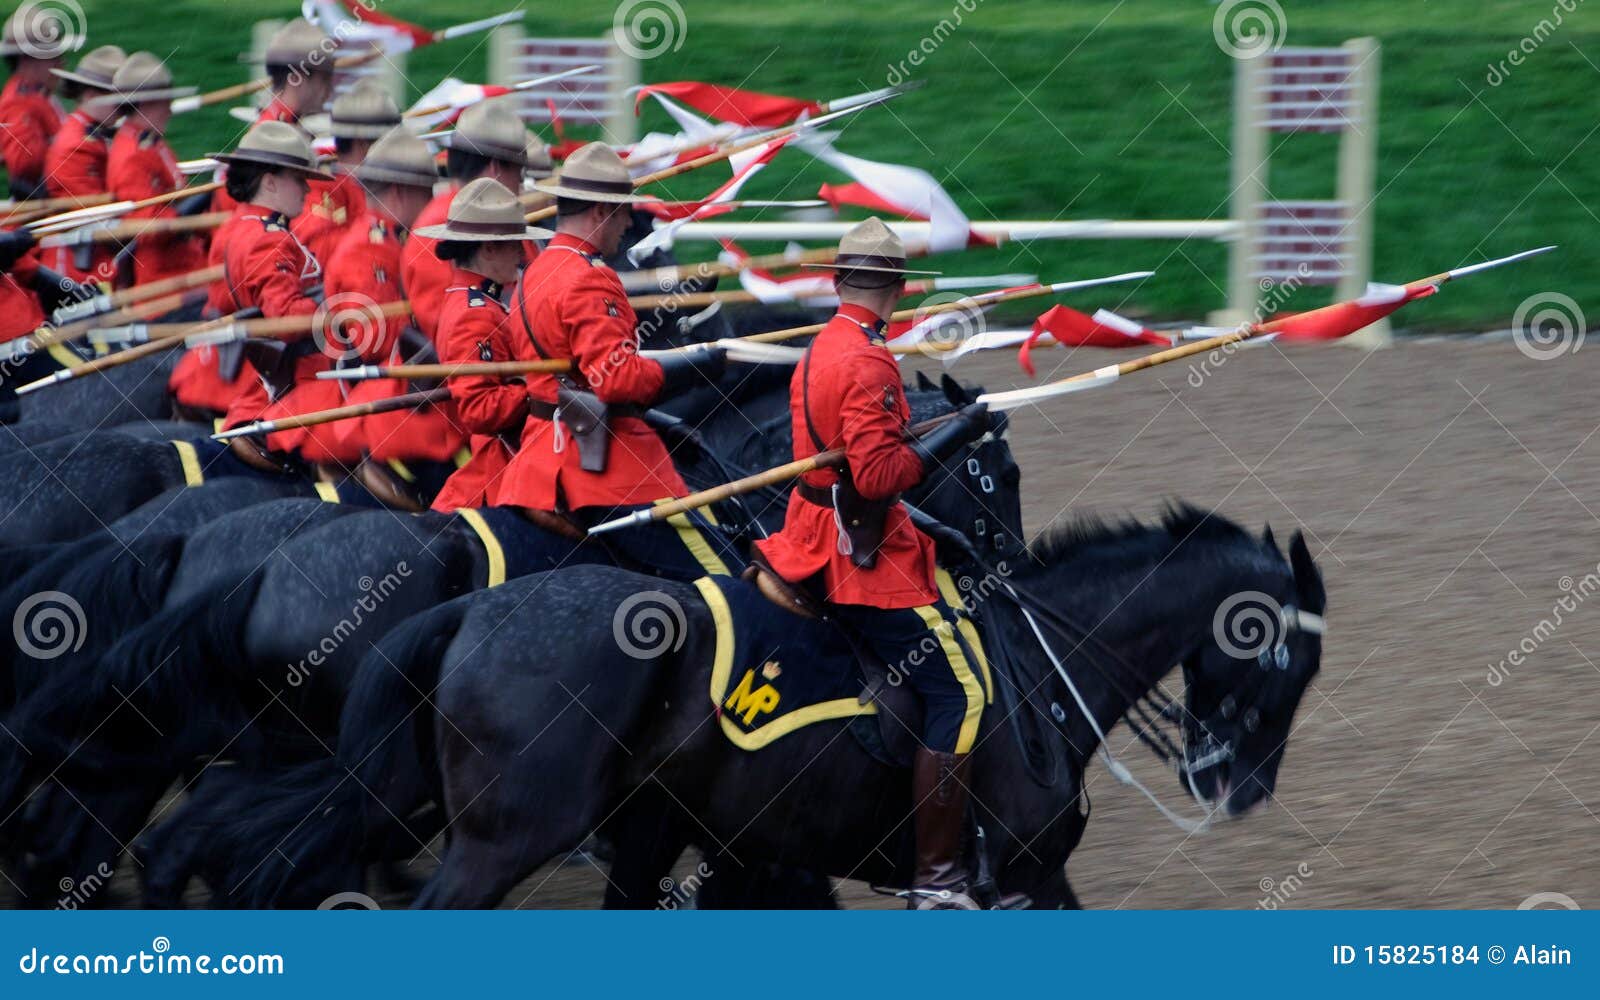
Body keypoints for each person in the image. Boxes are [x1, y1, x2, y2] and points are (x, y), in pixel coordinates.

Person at [752, 218, 992, 909]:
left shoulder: (824, 344)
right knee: (964, 692)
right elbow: (881, 477)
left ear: (838, 283)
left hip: (807, 524)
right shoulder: (868, 359)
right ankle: (939, 879)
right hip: (850, 548)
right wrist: (956, 433)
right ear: (898, 288)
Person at [495, 141, 733, 577]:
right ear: (600, 212)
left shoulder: (534, 272)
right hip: (605, 466)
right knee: (724, 577)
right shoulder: (589, 278)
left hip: (541, 455)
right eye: (623, 212)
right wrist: (689, 366)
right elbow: (617, 381)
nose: (627, 223)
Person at [419, 177, 553, 512]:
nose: (521, 254)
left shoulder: (476, 301)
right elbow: (479, 408)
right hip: (503, 460)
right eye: (512, 244)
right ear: (489, 248)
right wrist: (538, 387)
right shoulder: (473, 314)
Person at [199, 122, 333, 449]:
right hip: (295, 374)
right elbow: (285, 318)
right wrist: (336, 308)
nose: (306, 189)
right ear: (270, 181)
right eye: (299, 179)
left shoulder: (243, 227)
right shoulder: (267, 239)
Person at [401, 100, 533, 343]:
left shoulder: (471, 216)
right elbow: (449, 330)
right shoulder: (445, 223)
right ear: (495, 168)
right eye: (519, 173)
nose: (521, 186)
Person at [99, 52, 206, 287]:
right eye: (164, 101)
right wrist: (193, 214)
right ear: (145, 103)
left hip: (186, 265)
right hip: (166, 279)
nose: (169, 109)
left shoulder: (150, 141)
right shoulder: (132, 154)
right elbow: (147, 225)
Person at [212, 17, 333, 213]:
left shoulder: (282, 124)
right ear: (296, 78)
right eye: (325, 78)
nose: (330, 88)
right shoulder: (272, 132)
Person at [291, 78, 400, 265]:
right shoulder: (319, 186)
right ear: (364, 144)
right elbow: (321, 250)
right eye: (392, 144)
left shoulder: (388, 183)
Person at [44, 44, 126, 283]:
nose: (124, 109)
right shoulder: (77, 146)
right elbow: (95, 219)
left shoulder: (93, 133)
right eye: (117, 99)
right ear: (90, 94)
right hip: (81, 269)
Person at [0, 10, 76, 199]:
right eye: (54, 56)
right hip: (46, 209)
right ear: (27, 60)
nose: (62, 62)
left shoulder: (41, 95)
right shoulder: (18, 105)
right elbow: (24, 167)